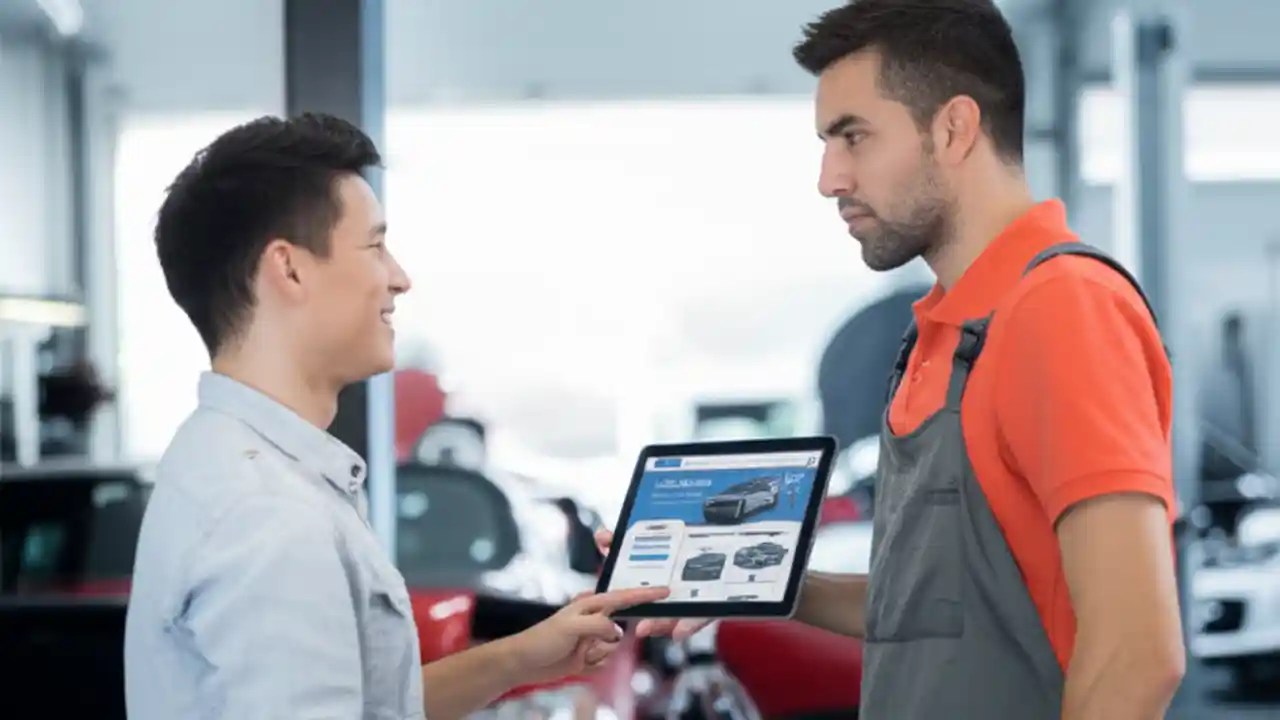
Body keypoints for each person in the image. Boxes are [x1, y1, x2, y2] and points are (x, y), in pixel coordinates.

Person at [597, 1, 1185, 718]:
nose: (829, 178)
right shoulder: (943, 332)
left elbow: (1139, 655)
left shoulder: (1061, 308)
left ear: (954, 128)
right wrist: (743, 580)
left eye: (854, 138)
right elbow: (930, 609)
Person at [123, 113, 668, 720]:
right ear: (290, 268)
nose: (399, 278)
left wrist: (523, 657)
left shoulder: (226, 460)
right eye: (375, 246)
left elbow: (371, 707)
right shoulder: (269, 515)